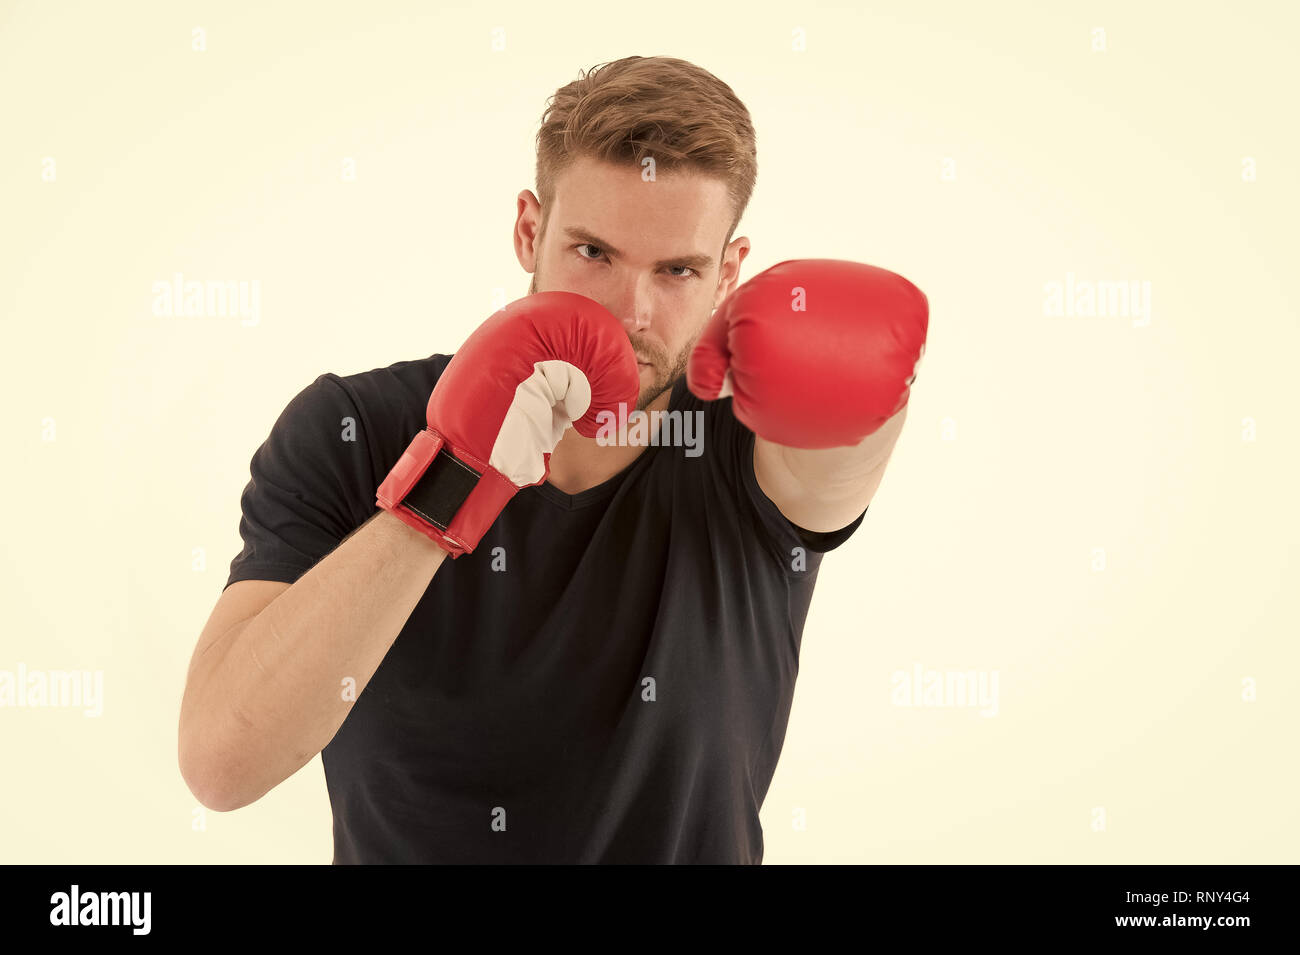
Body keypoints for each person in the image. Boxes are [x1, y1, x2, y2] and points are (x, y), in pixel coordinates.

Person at [178, 55, 927, 863]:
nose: (630, 312)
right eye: (593, 253)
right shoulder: (352, 428)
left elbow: (840, 459)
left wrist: (867, 379)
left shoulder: (749, 442)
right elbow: (223, 764)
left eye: (678, 270)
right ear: (529, 231)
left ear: (729, 274)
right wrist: (452, 477)